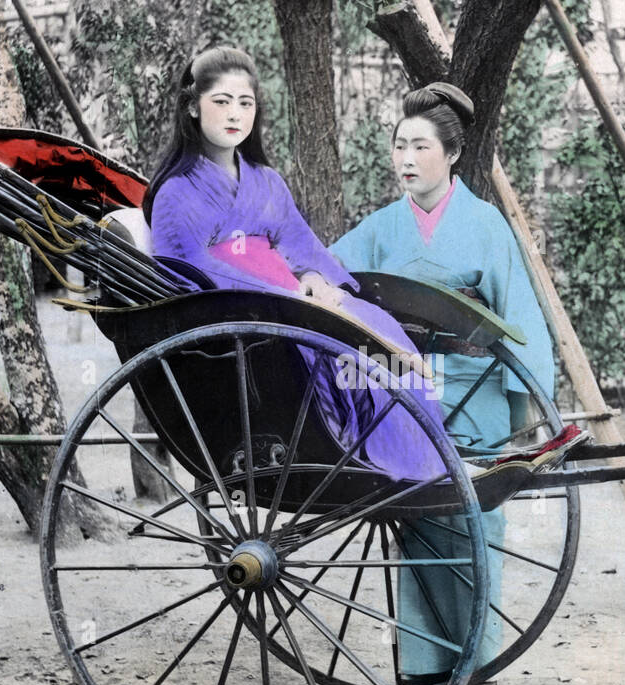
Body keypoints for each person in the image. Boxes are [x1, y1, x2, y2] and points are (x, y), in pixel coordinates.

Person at [331, 83, 556, 685]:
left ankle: (476, 663)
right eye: (399, 145)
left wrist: (525, 414)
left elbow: (522, 322)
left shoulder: (486, 226)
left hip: (474, 389)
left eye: (421, 147)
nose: (406, 159)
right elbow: (328, 271)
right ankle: (425, 665)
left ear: (452, 154)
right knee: (414, 512)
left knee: (474, 513)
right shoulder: (381, 227)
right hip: (404, 392)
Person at [143, 47, 442, 482]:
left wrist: (317, 277)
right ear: (192, 107)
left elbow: (299, 243)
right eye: (221, 101)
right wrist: (285, 297)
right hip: (248, 317)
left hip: (295, 298)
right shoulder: (175, 192)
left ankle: (420, 462)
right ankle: (369, 457)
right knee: (330, 345)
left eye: (245, 103)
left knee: (376, 327)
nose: (235, 114)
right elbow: (189, 269)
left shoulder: (266, 181)